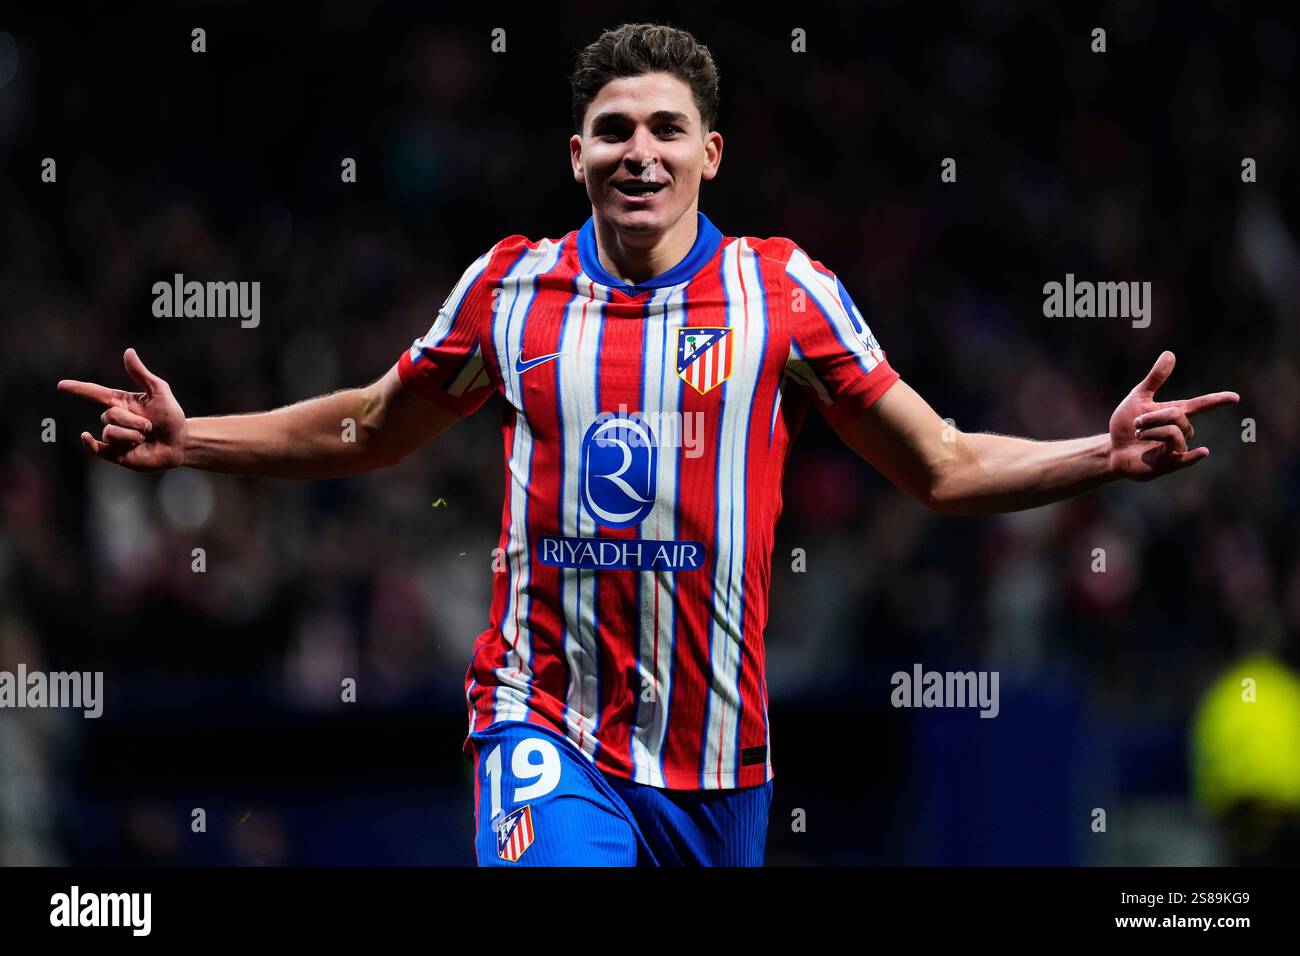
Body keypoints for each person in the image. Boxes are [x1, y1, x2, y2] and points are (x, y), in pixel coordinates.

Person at [58, 22, 1239, 866]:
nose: (640, 150)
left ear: (709, 154)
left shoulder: (784, 292)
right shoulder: (508, 290)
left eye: (667, 128)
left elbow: (938, 464)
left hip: (721, 761)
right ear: (575, 154)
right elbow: (370, 424)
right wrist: (191, 438)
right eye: (612, 129)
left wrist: (1100, 451)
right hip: (543, 721)